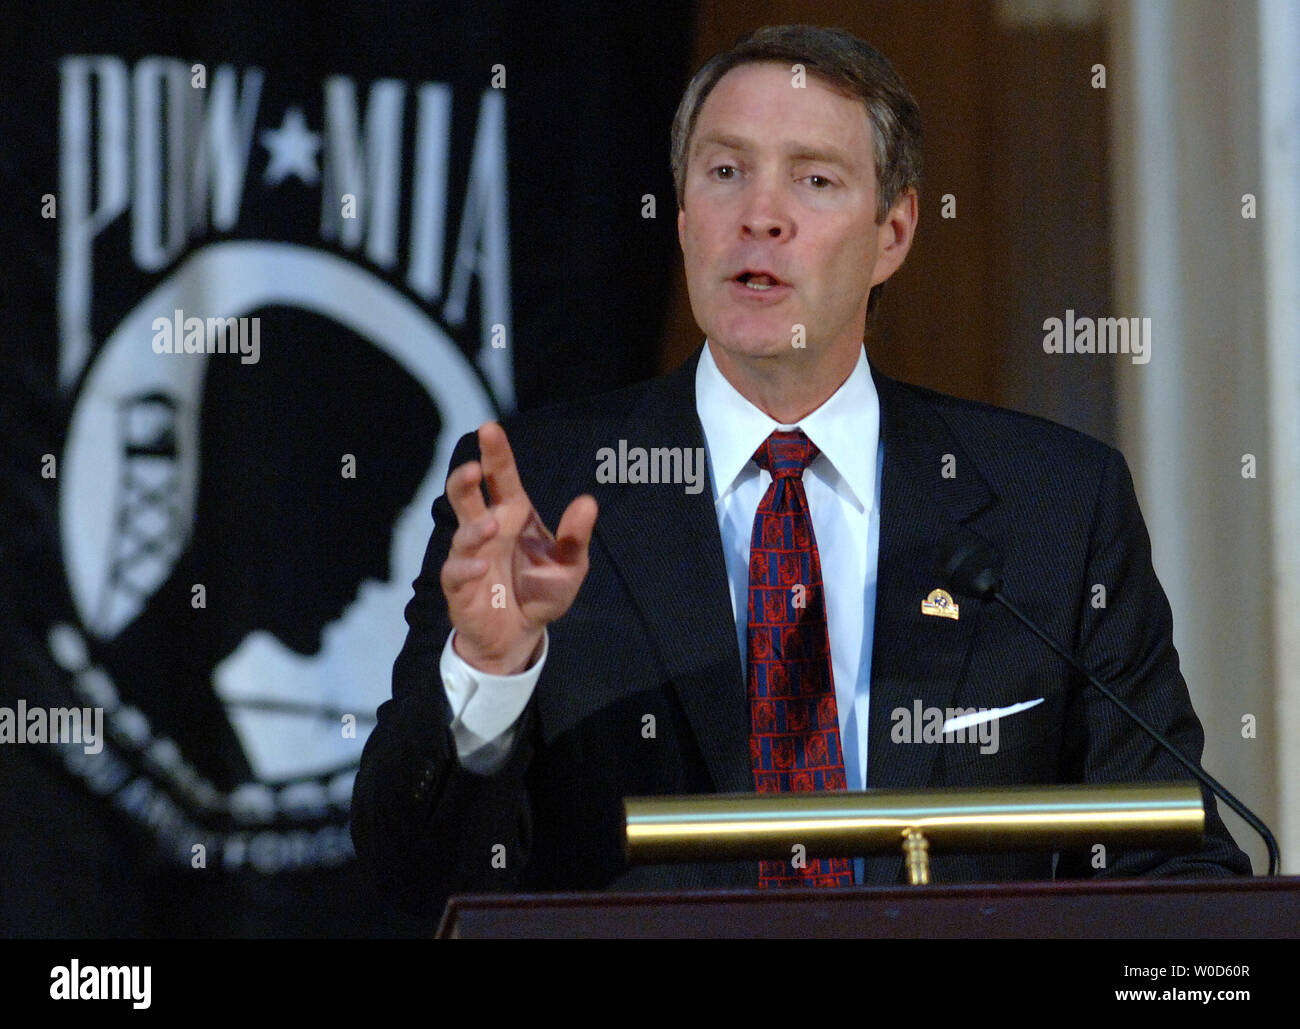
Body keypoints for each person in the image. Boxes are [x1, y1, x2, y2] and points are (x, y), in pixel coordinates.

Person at [352, 24, 1250, 920]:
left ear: (893, 232)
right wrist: (487, 669)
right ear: (682, 210)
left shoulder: (1055, 505)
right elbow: (411, 881)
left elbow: (1176, 866)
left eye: (814, 179)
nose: (760, 215)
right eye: (726, 172)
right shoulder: (538, 494)